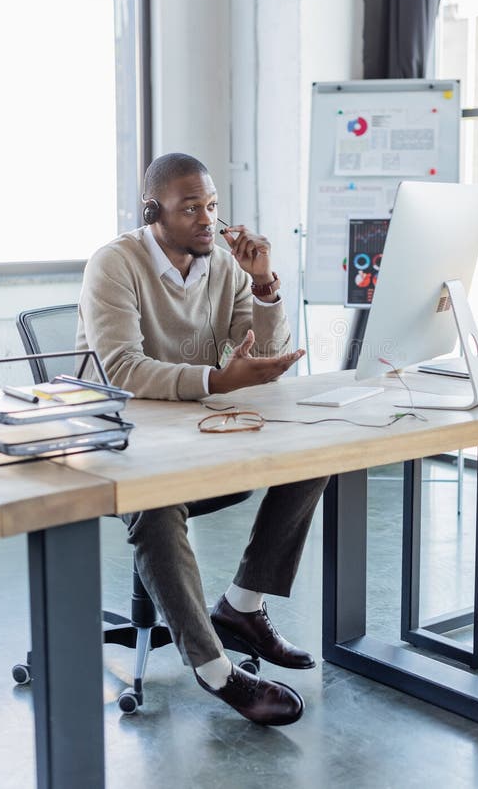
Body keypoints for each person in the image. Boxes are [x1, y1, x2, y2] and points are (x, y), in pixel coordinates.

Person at [77, 152, 328, 727]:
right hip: (121, 448)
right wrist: (215, 380)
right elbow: (120, 370)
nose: (207, 219)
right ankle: (214, 669)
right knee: (156, 505)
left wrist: (262, 285)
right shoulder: (114, 265)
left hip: (197, 437)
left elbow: (265, 359)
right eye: (190, 208)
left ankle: (242, 607)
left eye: (212, 206)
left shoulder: (222, 265)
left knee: (315, 450)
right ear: (153, 211)